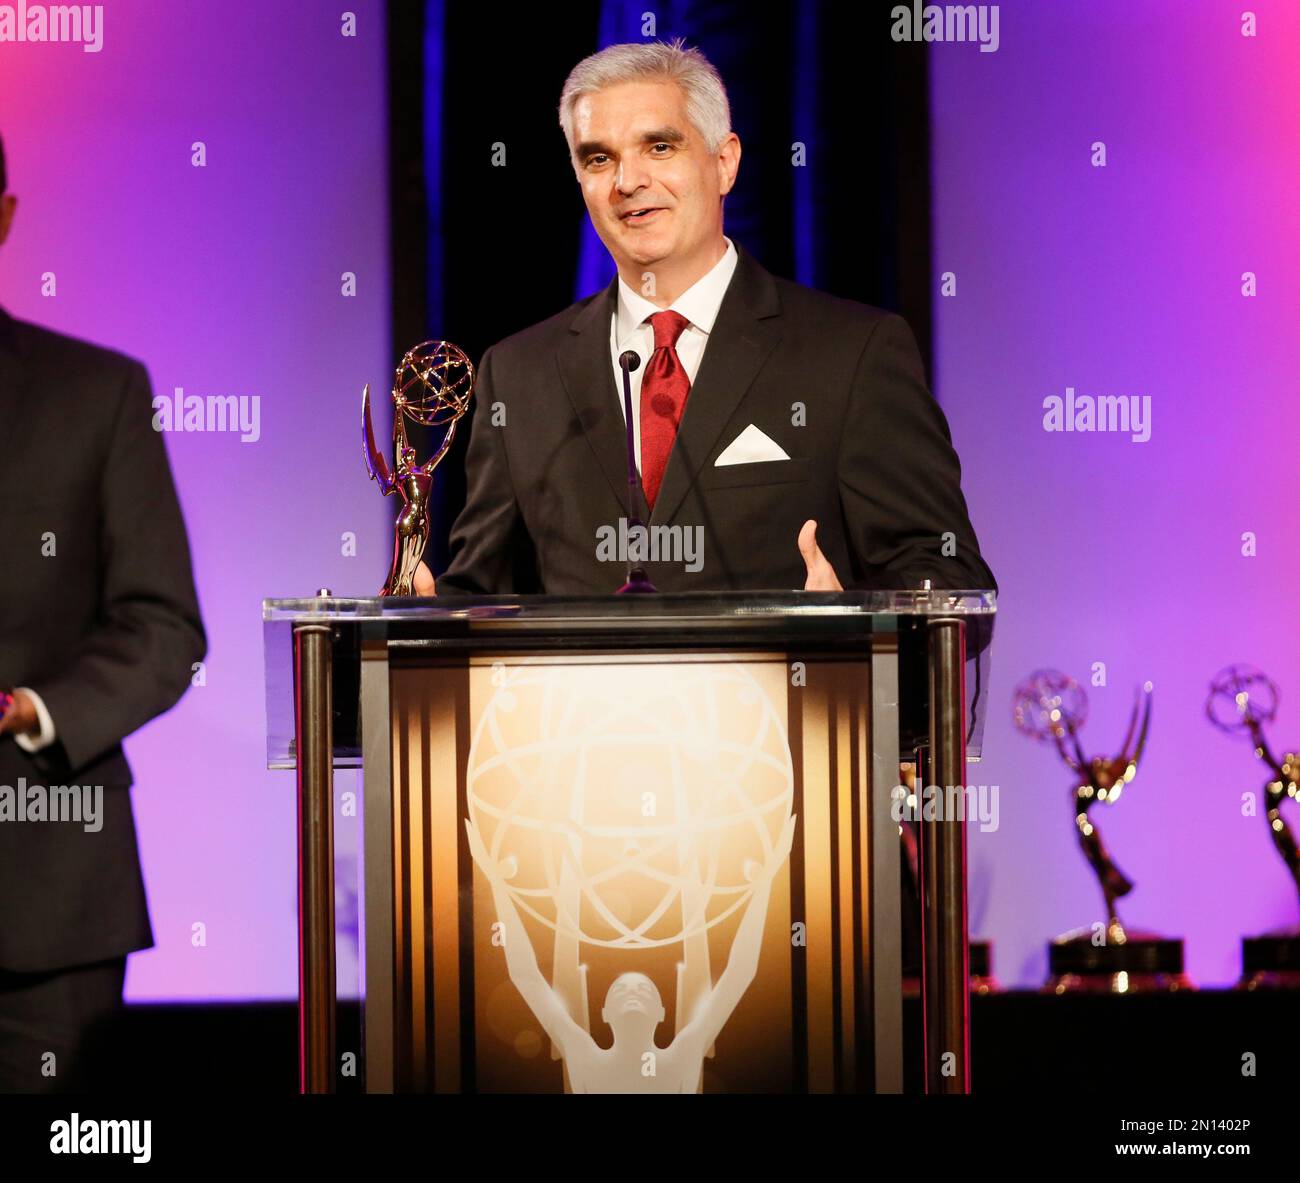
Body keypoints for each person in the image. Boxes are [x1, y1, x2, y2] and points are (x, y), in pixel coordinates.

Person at [421, 38, 994, 597]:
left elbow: (946, 576)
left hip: (788, 693)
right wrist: (423, 623)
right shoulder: (519, 373)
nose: (627, 182)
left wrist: (853, 618)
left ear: (725, 164)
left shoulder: (852, 354)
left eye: (660, 148)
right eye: (599, 158)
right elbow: (482, 592)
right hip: (588, 698)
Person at [0, 132, 207, 1092]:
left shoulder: (97, 394)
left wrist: (31, 708)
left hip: (43, 903)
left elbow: (162, 627)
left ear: (2, 219)